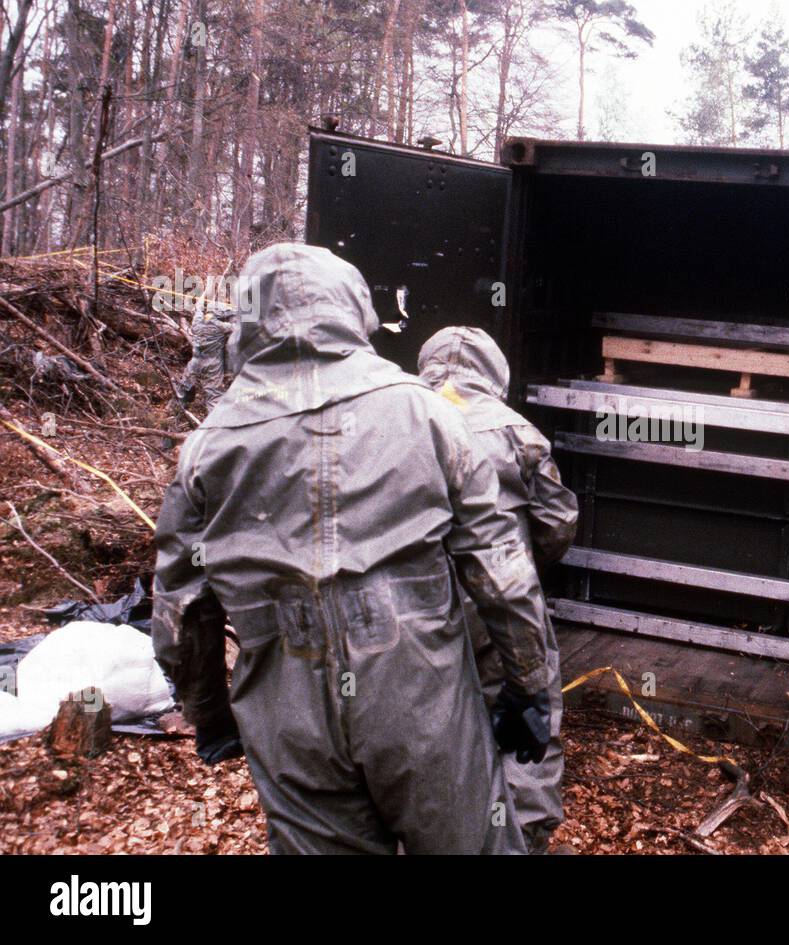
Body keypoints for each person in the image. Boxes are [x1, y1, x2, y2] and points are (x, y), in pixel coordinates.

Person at [152, 243, 552, 854]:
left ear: (249, 319)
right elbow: (501, 571)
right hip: (420, 695)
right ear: (355, 308)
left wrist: (209, 713)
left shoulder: (208, 445)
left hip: (286, 706)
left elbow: (181, 605)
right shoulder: (426, 413)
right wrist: (527, 685)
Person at [418, 326, 578, 853]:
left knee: (433, 730)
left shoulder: (398, 420)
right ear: (494, 373)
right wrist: (523, 566)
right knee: (528, 727)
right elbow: (558, 523)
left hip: (416, 614)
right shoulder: (520, 434)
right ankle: (520, 842)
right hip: (503, 606)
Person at [176, 302, 236, 410]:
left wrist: (201, 305)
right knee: (214, 396)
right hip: (212, 364)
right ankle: (215, 423)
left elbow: (198, 308)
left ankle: (175, 408)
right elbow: (238, 328)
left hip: (195, 362)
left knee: (184, 386)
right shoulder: (221, 326)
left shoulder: (197, 321)